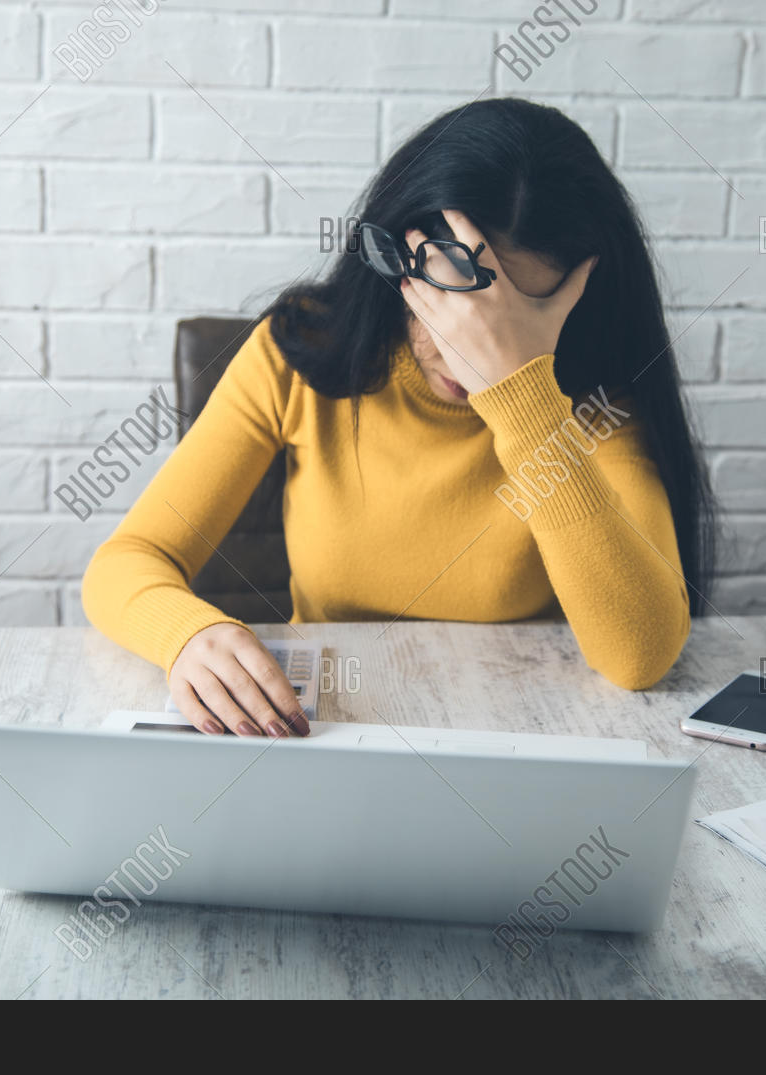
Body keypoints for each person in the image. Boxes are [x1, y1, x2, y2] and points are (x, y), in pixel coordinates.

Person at [83, 98, 715, 739]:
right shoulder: (300, 353)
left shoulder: (596, 403)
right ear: (396, 265)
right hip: (327, 727)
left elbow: (640, 658)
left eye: (511, 323)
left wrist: (522, 396)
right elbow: (129, 560)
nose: (464, 353)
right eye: (449, 307)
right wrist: (190, 635)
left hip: (517, 729)